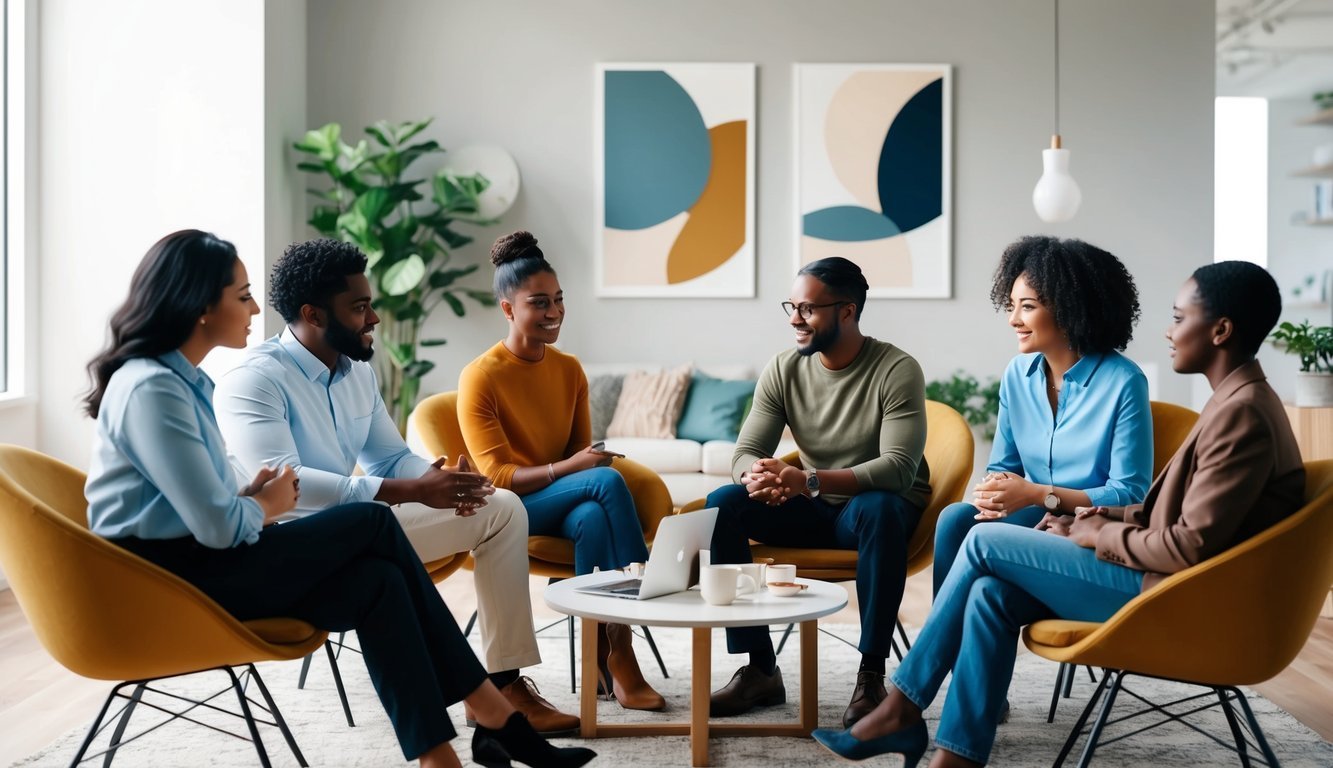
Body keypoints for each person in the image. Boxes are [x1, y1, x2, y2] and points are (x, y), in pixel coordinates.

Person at [83, 230, 595, 768]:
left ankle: (441, 756)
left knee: (381, 581)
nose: (256, 307)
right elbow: (219, 526)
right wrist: (269, 503)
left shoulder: (186, 383)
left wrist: (435, 483)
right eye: (241, 295)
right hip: (175, 583)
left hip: (224, 556)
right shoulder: (163, 388)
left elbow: (220, 496)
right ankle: (496, 712)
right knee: (371, 525)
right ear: (200, 307)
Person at [812, 260, 1306, 768]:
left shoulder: (1240, 414)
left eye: (1180, 318)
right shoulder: (1235, 404)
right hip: (1157, 575)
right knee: (989, 590)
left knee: (983, 544)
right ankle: (955, 757)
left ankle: (901, 706)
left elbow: (1186, 546)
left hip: (1176, 599)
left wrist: (1092, 529)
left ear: (1220, 330)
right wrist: (1077, 519)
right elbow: (1173, 521)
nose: (1168, 330)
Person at [213, 238, 579, 734]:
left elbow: (389, 456)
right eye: (360, 308)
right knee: (388, 535)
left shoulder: (355, 372)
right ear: (313, 314)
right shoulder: (255, 380)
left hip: (368, 522)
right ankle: (475, 698)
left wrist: (439, 478)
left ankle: (502, 682)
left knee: (503, 507)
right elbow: (287, 483)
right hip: (300, 543)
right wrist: (412, 492)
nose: (374, 320)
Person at [702, 257, 932, 727]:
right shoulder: (785, 369)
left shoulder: (896, 369)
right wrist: (756, 477)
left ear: (846, 312)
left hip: (873, 512)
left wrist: (808, 480)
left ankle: (871, 675)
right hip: (815, 509)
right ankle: (760, 669)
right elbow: (744, 452)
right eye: (792, 306)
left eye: (807, 309)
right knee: (722, 505)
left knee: (880, 507)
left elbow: (898, 469)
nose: (794, 318)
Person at [456, 230, 666, 712]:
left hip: (564, 503)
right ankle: (627, 641)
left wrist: (574, 466)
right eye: (539, 303)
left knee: (594, 515)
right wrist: (569, 467)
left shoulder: (569, 369)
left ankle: (601, 655)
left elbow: (580, 453)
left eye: (558, 300)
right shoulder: (481, 375)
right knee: (606, 480)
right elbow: (498, 478)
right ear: (508, 310)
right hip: (508, 509)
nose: (553, 312)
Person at [934, 236, 1153, 596]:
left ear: (1069, 310)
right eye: (1011, 306)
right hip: (1033, 515)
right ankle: (947, 646)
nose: (1013, 320)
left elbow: (1129, 493)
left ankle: (941, 648)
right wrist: (996, 490)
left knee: (990, 580)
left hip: (1091, 525)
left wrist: (1040, 496)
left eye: (1027, 307)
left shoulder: (1124, 382)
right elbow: (1004, 465)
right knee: (957, 519)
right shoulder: (1017, 375)